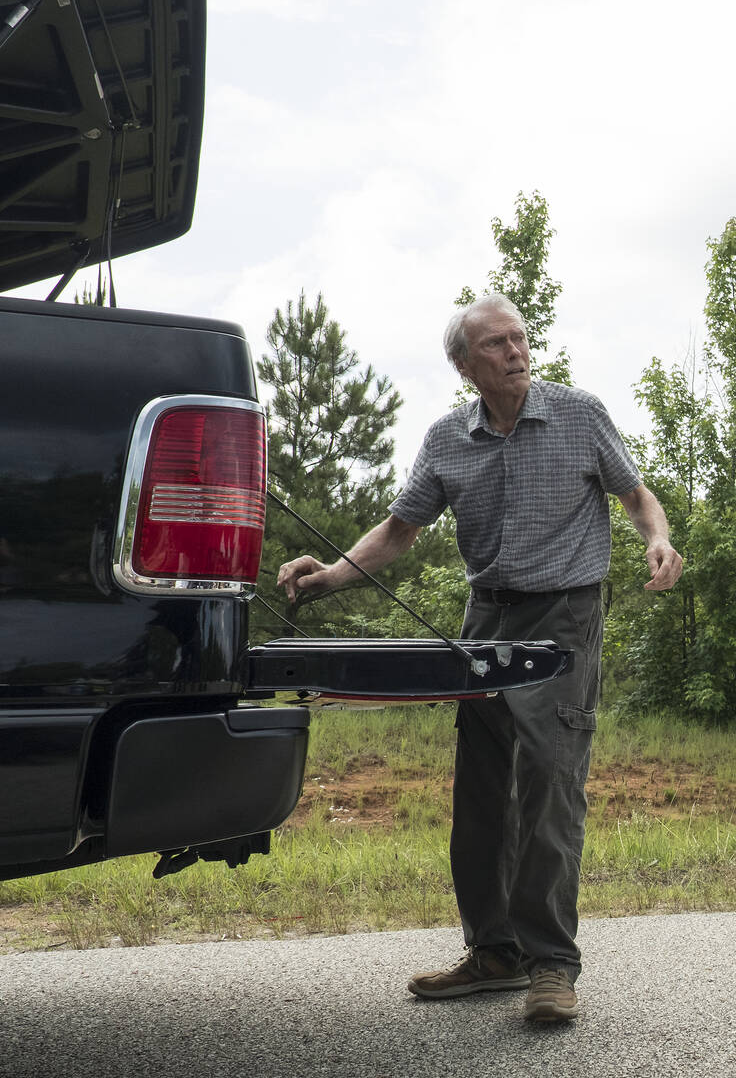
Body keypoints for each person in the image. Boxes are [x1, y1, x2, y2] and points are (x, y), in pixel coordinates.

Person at [277, 293, 683, 1023]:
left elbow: (637, 495)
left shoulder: (579, 414)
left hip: (565, 615)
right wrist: (331, 577)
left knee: (551, 788)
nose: (516, 352)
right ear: (465, 365)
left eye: (520, 339)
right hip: (485, 616)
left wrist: (657, 537)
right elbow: (399, 531)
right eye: (495, 344)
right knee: (482, 789)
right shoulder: (446, 439)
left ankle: (552, 966)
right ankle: (493, 952)